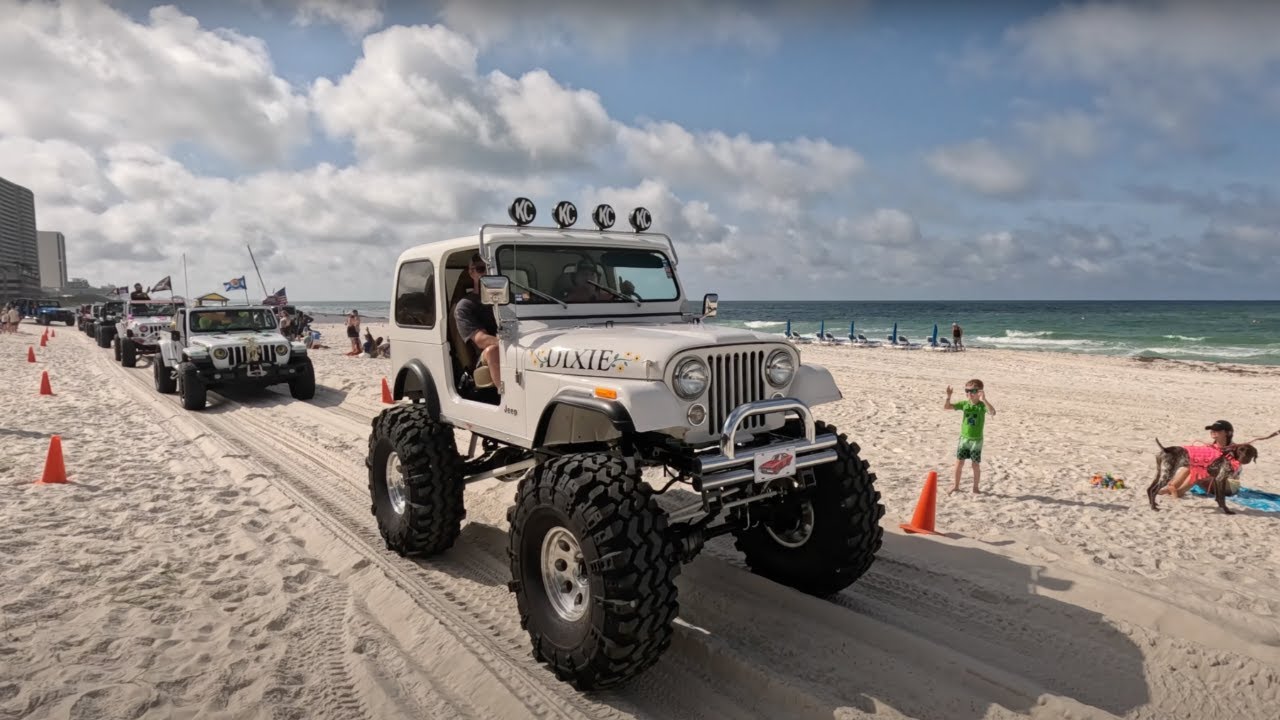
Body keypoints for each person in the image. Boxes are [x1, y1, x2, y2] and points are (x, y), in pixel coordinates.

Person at [1159, 421, 1279, 499]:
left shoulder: (1236, 449)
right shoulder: (1210, 447)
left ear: (1228, 433)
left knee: (1201, 472)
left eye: (1217, 430)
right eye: (1212, 430)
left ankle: (1178, 492)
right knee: (1191, 465)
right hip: (1212, 482)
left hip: (1229, 485)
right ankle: (1172, 487)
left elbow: (1239, 465)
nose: (1213, 432)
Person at [454, 253, 501, 391]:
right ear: (471, 272)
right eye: (481, 269)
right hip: (484, 355)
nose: (487, 273)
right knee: (493, 350)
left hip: (510, 345)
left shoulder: (508, 301)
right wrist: (509, 343)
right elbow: (481, 340)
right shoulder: (465, 306)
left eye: (491, 269)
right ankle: (507, 399)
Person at [944, 379, 995, 494]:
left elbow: (992, 412)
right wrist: (948, 396)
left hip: (976, 441)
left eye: (972, 391)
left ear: (979, 392)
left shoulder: (981, 406)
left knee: (975, 465)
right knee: (959, 462)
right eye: (967, 391)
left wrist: (984, 399)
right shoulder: (964, 404)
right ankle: (956, 485)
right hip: (964, 439)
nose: (969, 394)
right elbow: (947, 407)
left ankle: (975, 488)